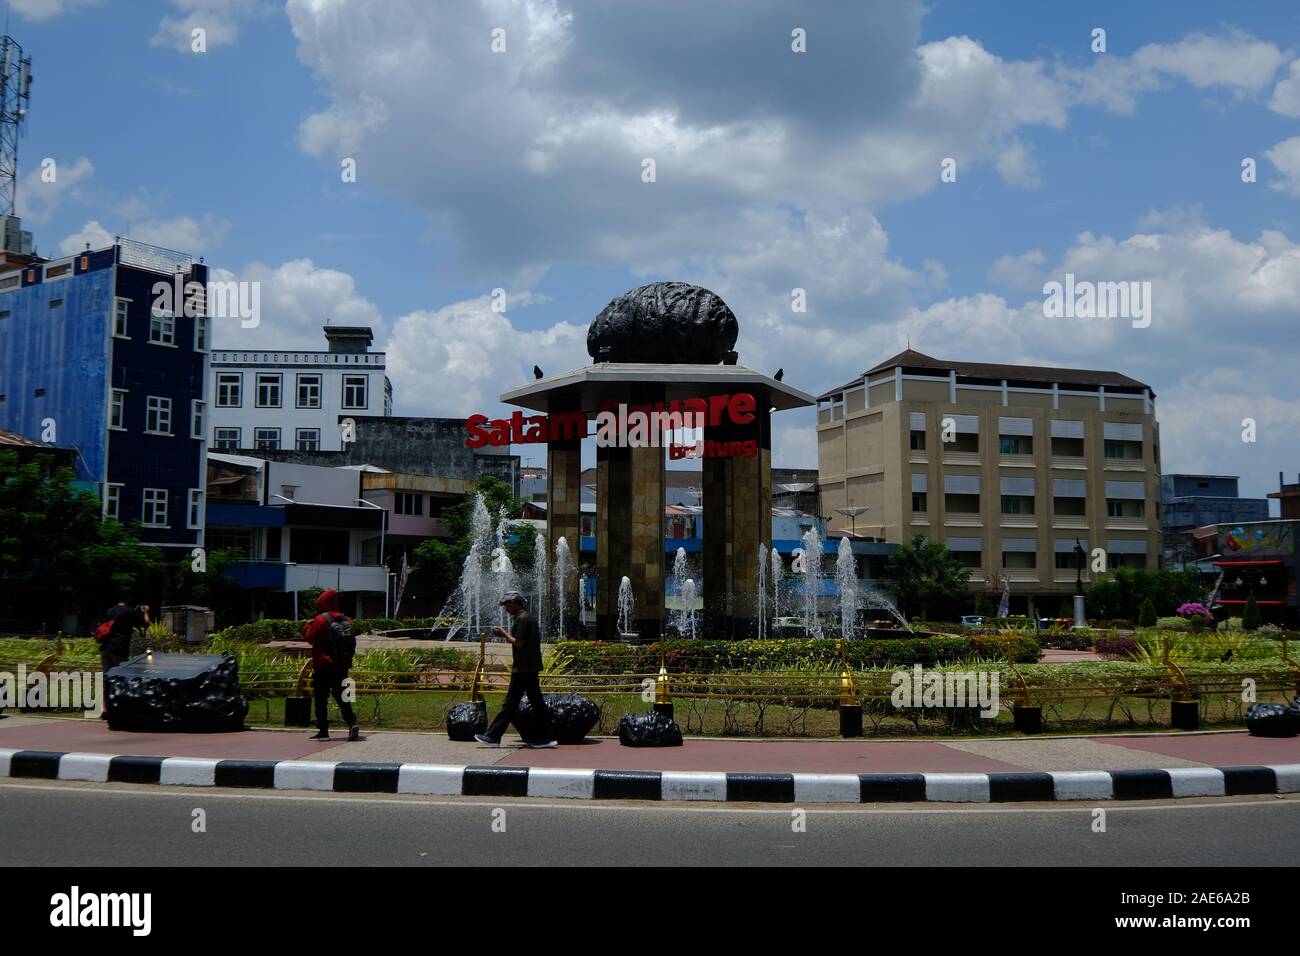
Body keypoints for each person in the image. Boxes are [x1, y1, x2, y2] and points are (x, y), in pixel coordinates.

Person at [475, 591, 557, 748]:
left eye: (506, 605)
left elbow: (519, 643)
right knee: (535, 703)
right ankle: (546, 737)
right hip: (528, 667)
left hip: (524, 669)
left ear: (514, 602)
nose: (505, 608)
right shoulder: (527, 617)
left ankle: (493, 736)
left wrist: (503, 633)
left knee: (511, 703)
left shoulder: (522, 619)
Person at [303, 588, 360, 742]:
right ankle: (352, 723)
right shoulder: (347, 620)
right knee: (343, 697)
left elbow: (310, 638)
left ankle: (323, 731)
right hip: (342, 665)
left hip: (323, 665)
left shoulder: (320, 620)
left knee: (321, 698)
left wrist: (307, 626)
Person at [98, 598, 149, 719]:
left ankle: (104, 707)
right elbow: (146, 624)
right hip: (119, 649)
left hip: (105, 648)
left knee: (107, 678)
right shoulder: (129, 611)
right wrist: (145, 611)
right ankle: (121, 708)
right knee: (122, 679)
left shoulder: (111, 611)